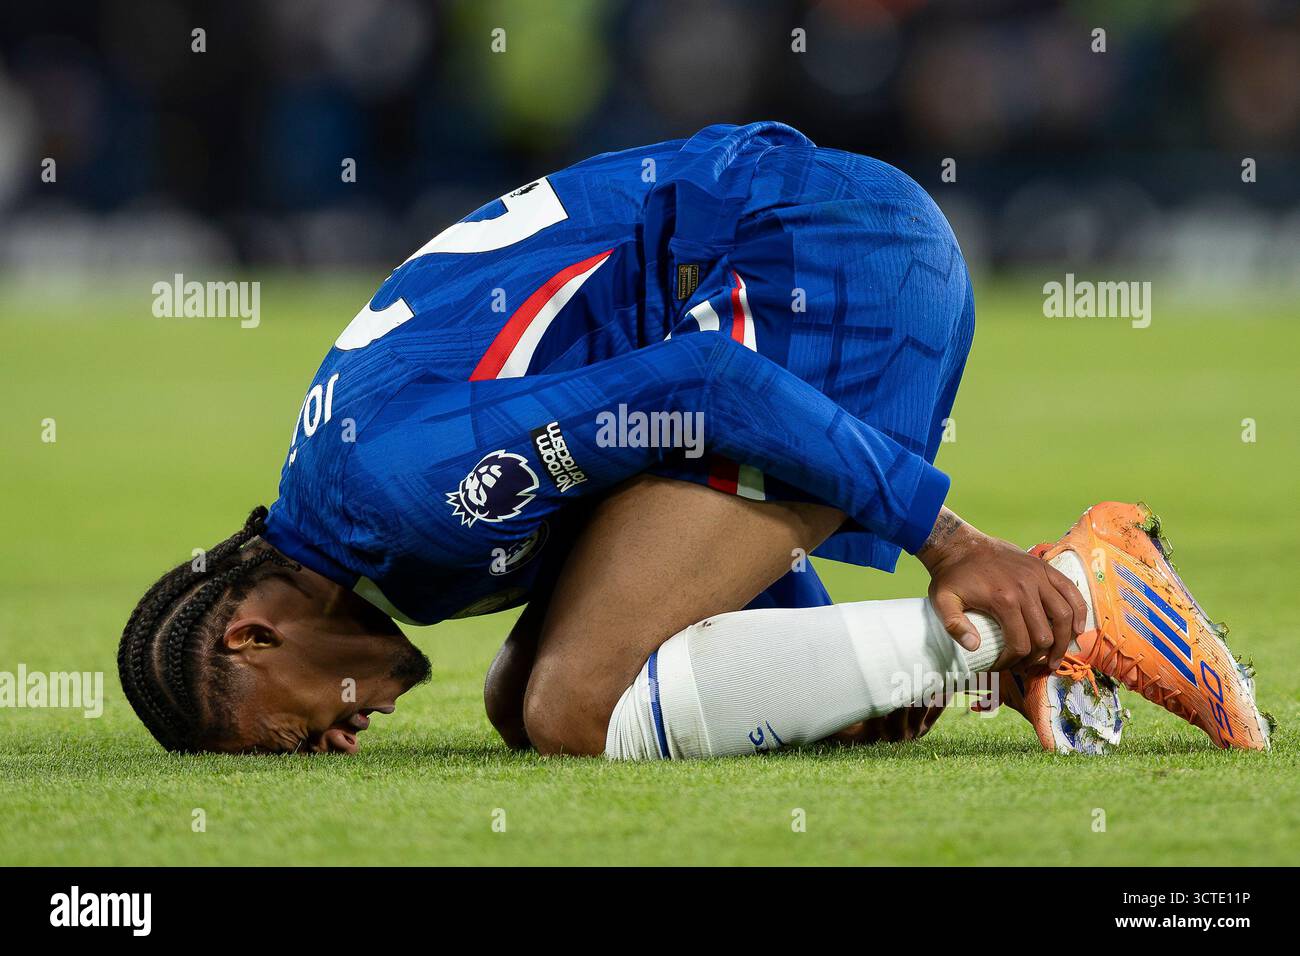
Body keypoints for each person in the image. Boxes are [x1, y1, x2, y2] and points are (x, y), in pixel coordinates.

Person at [117, 123, 1270, 757]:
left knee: (574, 704)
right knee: (519, 694)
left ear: (255, 631)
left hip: (817, 258)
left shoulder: (402, 490)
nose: (337, 745)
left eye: (292, 735)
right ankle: (966, 648)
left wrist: (947, 539)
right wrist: (818, 663)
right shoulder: (354, 511)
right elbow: (612, 454)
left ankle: (1079, 587)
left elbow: (699, 381)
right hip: (763, 269)